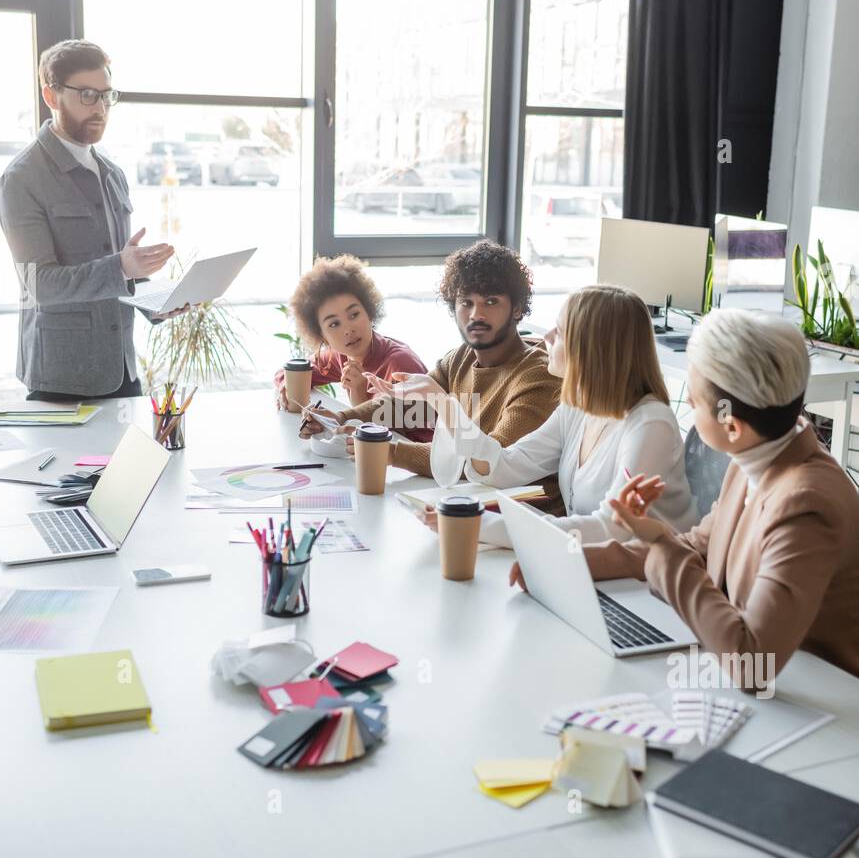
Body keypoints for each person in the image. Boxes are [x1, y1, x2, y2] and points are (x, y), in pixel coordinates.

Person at [547, 308, 859, 684]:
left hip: (826, 710)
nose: (690, 410)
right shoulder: (755, 459)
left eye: (695, 403)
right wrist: (559, 565)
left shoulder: (807, 503)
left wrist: (661, 543)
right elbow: (696, 547)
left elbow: (752, 662)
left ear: (732, 425)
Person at [408, 284, 696, 544]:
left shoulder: (649, 424)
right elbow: (506, 467)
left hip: (649, 587)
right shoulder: (578, 408)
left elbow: (613, 528)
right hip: (595, 568)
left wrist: (480, 525)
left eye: (559, 332)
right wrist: (445, 406)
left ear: (589, 350)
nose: (546, 337)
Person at [0, 40, 178, 401]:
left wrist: (160, 303)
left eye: (107, 96)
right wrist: (121, 267)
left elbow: (121, 268)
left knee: (135, 460)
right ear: (51, 96)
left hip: (121, 370)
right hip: (61, 379)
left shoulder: (111, 170)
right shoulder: (22, 178)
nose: (100, 108)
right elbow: (41, 286)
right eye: (87, 95)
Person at [300, 240, 562, 483]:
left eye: (491, 301)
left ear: (516, 307)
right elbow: (407, 406)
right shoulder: (460, 358)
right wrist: (341, 417)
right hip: (462, 500)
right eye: (465, 302)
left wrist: (391, 453)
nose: (476, 314)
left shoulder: (538, 376)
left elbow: (487, 464)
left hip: (518, 513)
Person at [273, 254, 432, 440]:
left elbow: (393, 438)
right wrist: (286, 386)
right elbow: (288, 371)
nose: (348, 330)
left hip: (422, 461)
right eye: (334, 324)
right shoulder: (338, 356)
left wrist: (359, 394)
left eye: (354, 314)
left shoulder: (400, 363)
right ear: (321, 336)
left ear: (369, 312)